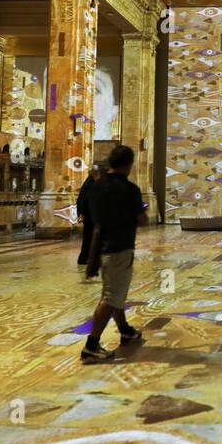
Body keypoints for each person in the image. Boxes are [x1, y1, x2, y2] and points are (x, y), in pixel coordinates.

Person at [81, 145, 148, 363]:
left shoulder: (96, 187)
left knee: (115, 291)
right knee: (111, 297)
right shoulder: (130, 189)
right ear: (129, 164)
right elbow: (142, 220)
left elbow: (93, 215)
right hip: (120, 246)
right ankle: (91, 344)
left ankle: (125, 330)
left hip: (101, 246)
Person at [76, 165, 103, 265]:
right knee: (88, 238)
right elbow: (83, 200)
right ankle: (83, 258)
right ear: (95, 174)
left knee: (89, 237)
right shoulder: (90, 184)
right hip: (89, 216)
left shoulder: (90, 182)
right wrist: (82, 214)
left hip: (90, 216)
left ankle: (86, 258)